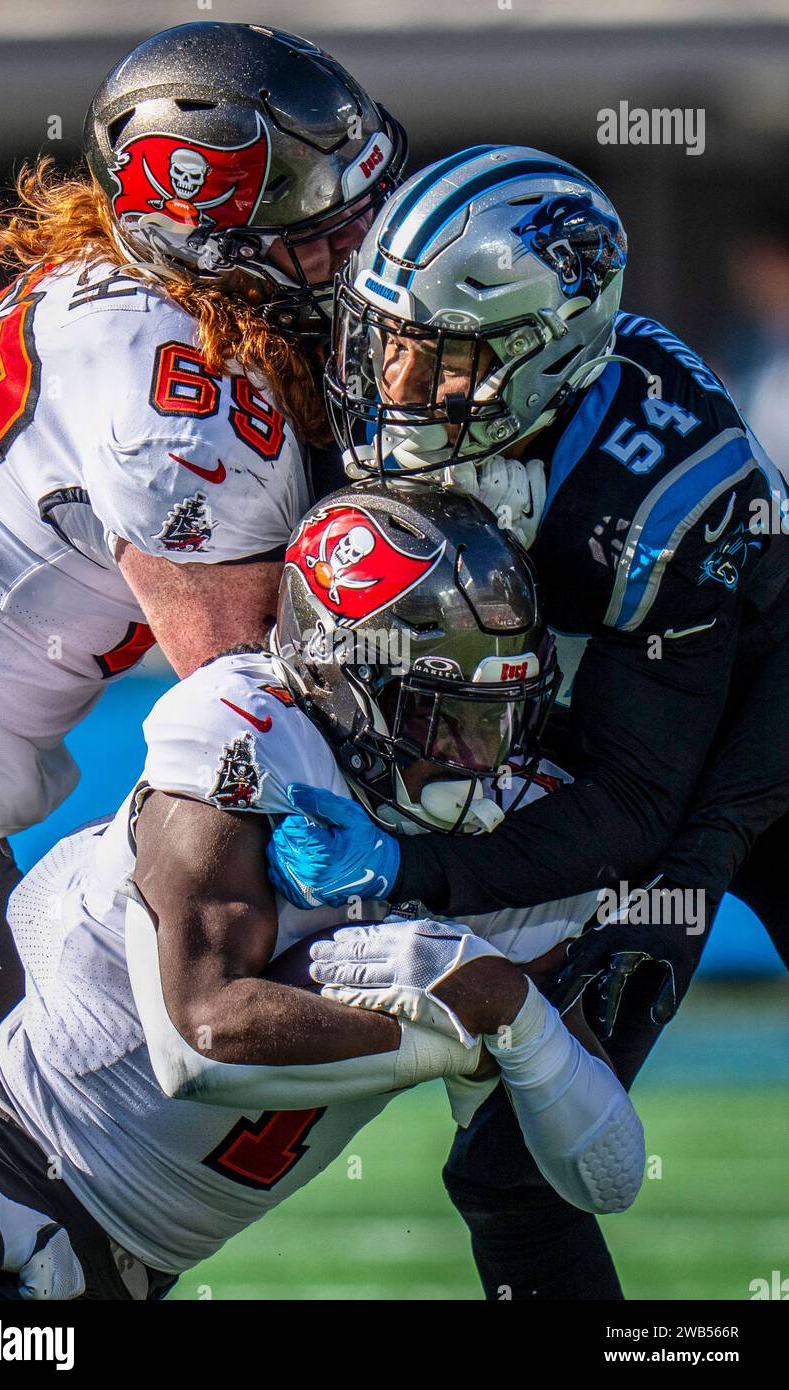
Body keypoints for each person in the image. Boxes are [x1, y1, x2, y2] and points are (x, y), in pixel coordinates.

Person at [266, 146, 789, 1298]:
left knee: (520, 1163)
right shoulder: (457, 403)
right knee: (512, 1168)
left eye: (438, 359)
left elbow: (639, 804)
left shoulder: (657, 499)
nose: (392, 381)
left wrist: (412, 861)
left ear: (541, 357)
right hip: (611, 725)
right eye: (382, 337)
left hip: (745, 739)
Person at [0, 485, 645, 1298]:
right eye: (434, 714)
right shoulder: (249, 729)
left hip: (118, 1268)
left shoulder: (521, 851)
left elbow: (603, 1177)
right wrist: (448, 1019)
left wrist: (515, 1016)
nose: (473, 757)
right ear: (338, 679)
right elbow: (198, 1037)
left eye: (494, 718)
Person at [0, 21, 406, 1064]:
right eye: (314, 234)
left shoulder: (123, 288)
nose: (350, 256)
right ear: (202, 235)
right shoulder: (179, 399)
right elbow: (238, 701)